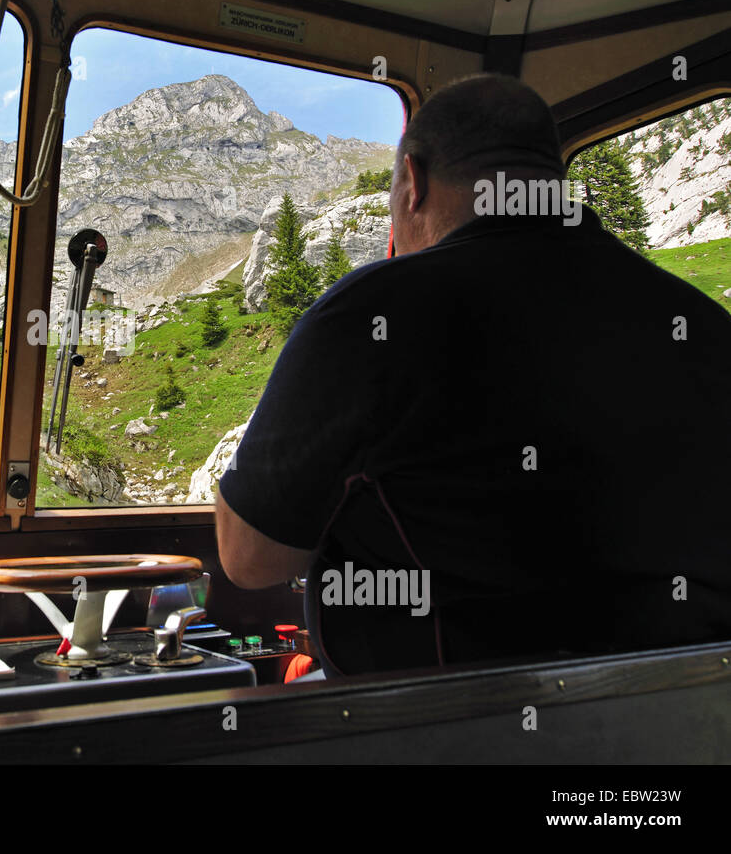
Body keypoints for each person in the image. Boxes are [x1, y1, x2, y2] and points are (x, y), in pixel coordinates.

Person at [215, 73, 731, 676]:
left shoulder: (376, 312)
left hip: (446, 727)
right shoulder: (699, 320)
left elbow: (248, 558)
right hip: (687, 721)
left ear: (415, 183)